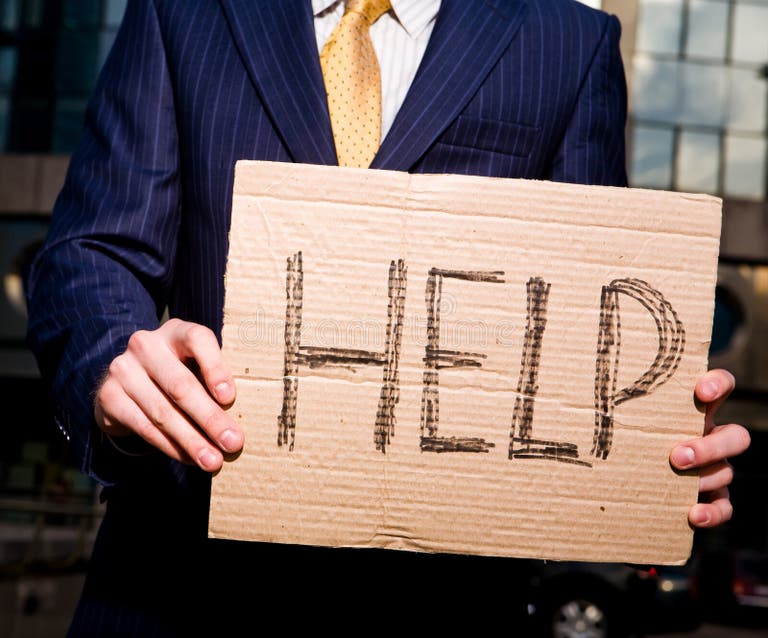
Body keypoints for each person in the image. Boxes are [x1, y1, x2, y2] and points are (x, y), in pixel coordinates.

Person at [24, 0, 750, 635]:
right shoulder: (186, 9)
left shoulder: (570, 44)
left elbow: (583, 335)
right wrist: (111, 363)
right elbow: (93, 250)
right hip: (176, 589)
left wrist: (646, 461)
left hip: (443, 608)